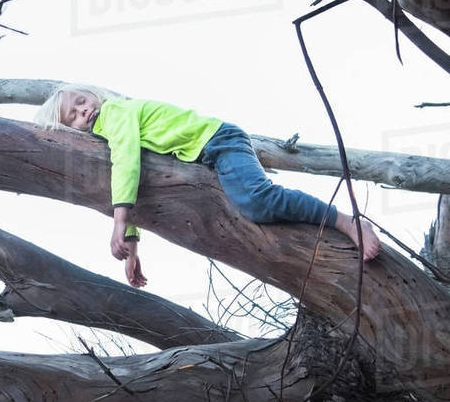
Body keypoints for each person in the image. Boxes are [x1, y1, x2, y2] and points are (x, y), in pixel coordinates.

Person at [34, 84, 382, 288]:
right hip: (209, 154)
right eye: (74, 116)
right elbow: (133, 180)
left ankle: (346, 221)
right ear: (72, 130)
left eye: (82, 101)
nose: (85, 111)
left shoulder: (115, 113)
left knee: (257, 201)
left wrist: (119, 221)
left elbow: (127, 161)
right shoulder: (109, 133)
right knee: (242, 213)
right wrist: (133, 246)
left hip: (219, 140)